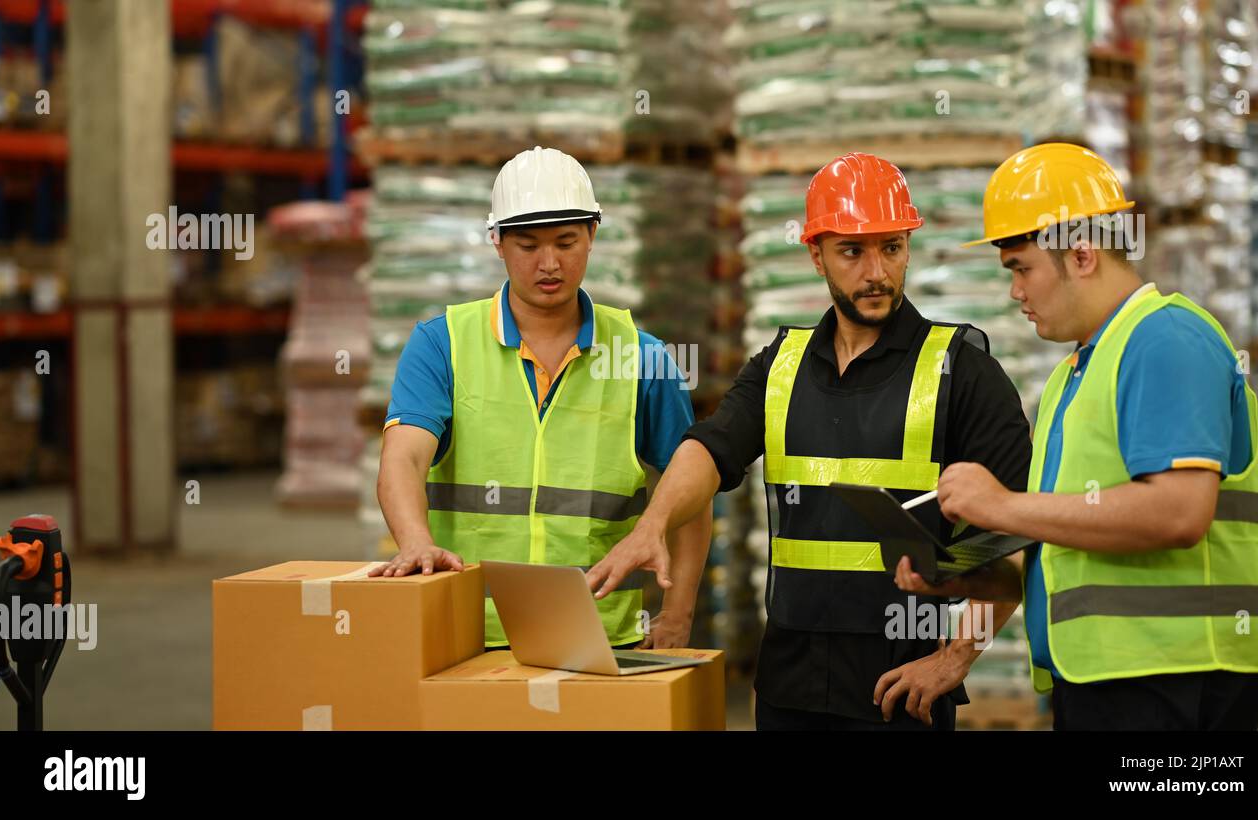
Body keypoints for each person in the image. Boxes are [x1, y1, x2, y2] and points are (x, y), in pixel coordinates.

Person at [588, 152, 1034, 729]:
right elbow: (709, 448)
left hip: (901, 692)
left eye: (892, 248)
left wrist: (953, 661)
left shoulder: (964, 371)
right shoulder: (780, 366)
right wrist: (652, 525)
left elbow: (1015, 533)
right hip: (789, 687)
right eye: (853, 251)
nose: (876, 272)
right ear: (815, 254)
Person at [897, 142, 1258, 730]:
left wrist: (1004, 505)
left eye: (1022, 268)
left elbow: (1177, 512)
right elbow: (1073, 539)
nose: (1016, 292)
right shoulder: (1080, 372)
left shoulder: (1164, 339)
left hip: (1174, 680)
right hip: (1107, 682)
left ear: (1082, 253)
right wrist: (967, 574)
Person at [373, 146, 711, 650]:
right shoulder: (443, 343)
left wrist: (678, 616)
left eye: (566, 242)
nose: (549, 264)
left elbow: (692, 493)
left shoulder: (643, 357)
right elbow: (402, 458)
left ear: (593, 235)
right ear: (498, 243)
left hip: (599, 637)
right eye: (528, 246)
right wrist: (416, 543)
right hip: (467, 634)